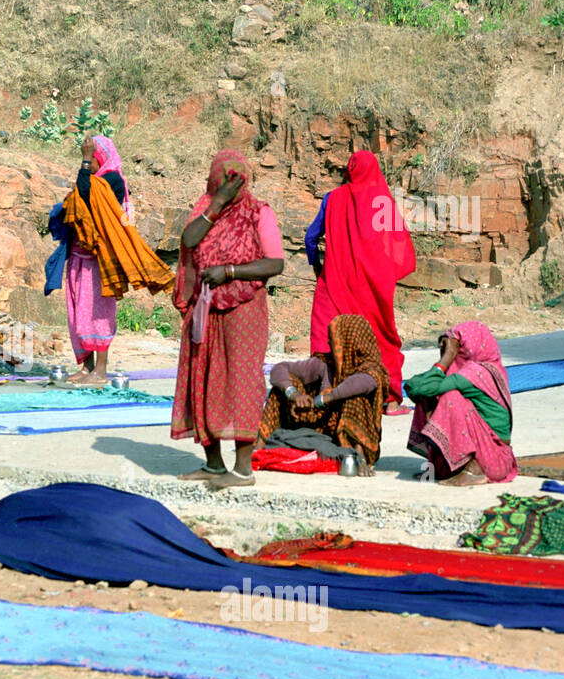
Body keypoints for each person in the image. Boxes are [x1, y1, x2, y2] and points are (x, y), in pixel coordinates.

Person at [171, 149, 284, 489]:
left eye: (236, 177)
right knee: (202, 377)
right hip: (205, 307)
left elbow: (275, 263)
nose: (230, 182)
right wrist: (217, 203)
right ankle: (214, 464)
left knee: (241, 380)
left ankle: (243, 469)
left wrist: (231, 271)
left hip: (243, 309)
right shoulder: (205, 208)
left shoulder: (258, 212)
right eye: (224, 177)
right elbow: (189, 241)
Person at [305, 150, 416, 415]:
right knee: (382, 336)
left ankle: (325, 395)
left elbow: (311, 238)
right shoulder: (383, 203)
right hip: (373, 285)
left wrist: (318, 266)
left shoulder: (333, 199)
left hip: (334, 280)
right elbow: (397, 244)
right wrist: (384, 273)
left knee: (325, 338)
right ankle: (389, 400)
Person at [59, 134, 173, 384]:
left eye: (92, 156)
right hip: (80, 257)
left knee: (98, 312)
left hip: (100, 261)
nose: (89, 161)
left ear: (99, 156)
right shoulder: (94, 178)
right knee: (79, 313)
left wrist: (85, 161)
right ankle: (87, 368)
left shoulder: (112, 180)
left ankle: (100, 370)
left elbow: (87, 196)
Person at [256, 314, 389, 471]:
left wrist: (325, 399)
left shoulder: (373, 369)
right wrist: (294, 395)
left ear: (348, 342)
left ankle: (357, 455)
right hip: (319, 425)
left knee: (355, 399)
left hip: (345, 432)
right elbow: (279, 368)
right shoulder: (324, 364)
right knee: (281, 390)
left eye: (332, 338)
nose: (328, 342)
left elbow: (362, 383)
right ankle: (258, 448)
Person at [406, 320, 516, 486]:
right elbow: (415, 387)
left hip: (492, 460)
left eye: (455, 347)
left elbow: (421, 388)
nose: (447, 351)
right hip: (493, 456)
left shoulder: (476, 373)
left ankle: (473, 470)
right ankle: (448, 465)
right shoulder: (492, 368)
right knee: (431, 396)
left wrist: (446, 359)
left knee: (450, 398)